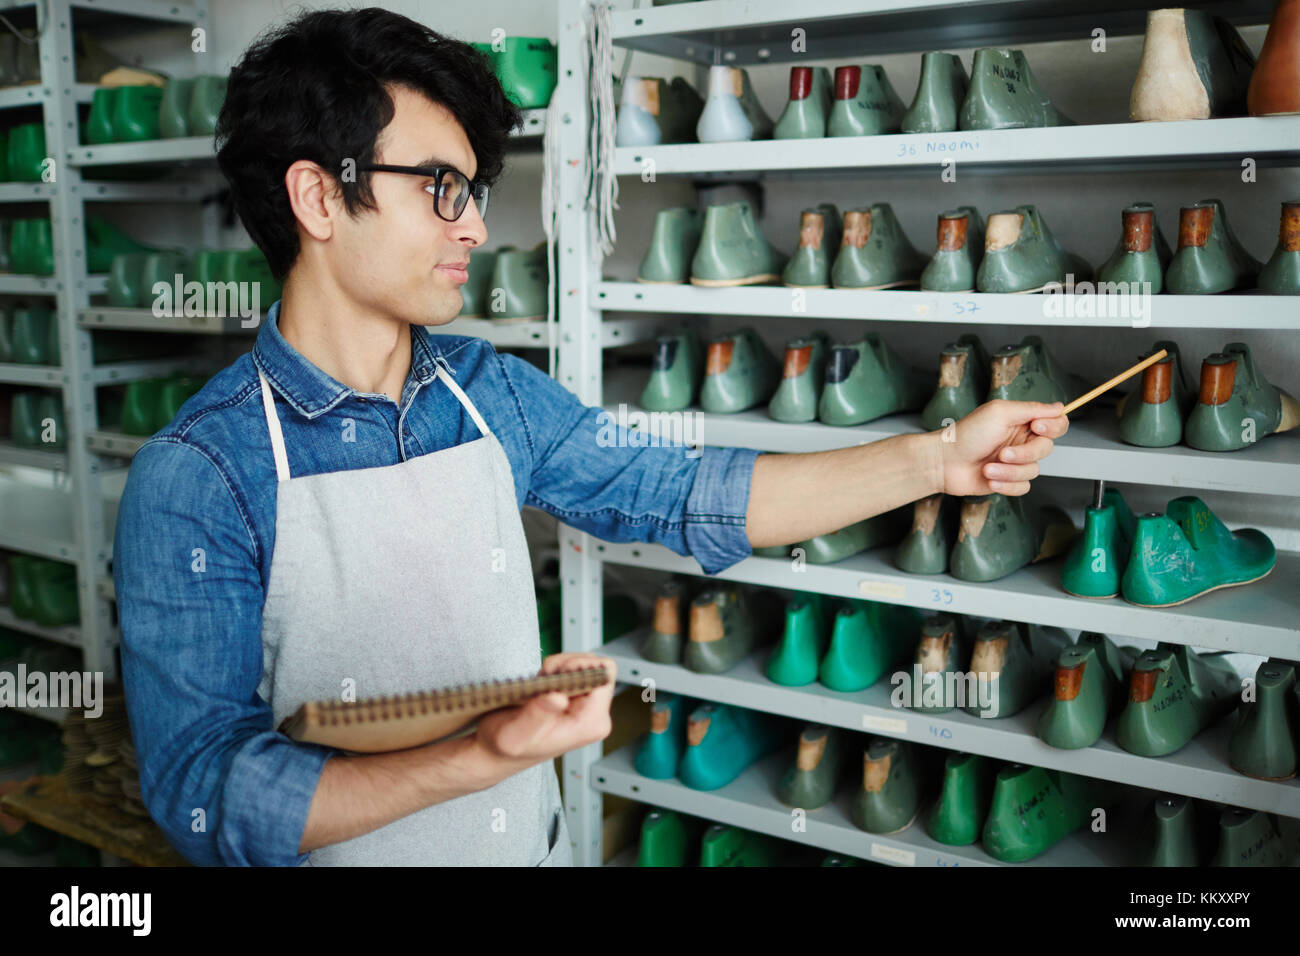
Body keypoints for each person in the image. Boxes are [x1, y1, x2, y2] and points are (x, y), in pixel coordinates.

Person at [114, 7, 1068, 866]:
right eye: (443, 187)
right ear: (319, 198)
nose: (478, 226)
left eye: (477, 190)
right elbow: (204, 791)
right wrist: (472, 758)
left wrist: (943, 458)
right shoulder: (201, 475)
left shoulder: (490, 394)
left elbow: (690, 494)